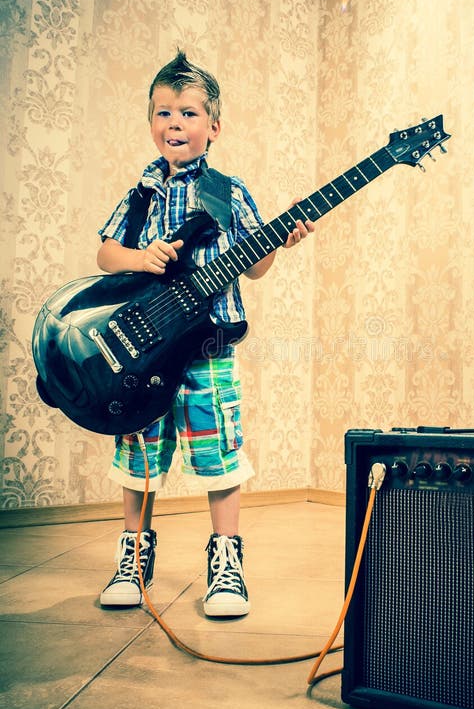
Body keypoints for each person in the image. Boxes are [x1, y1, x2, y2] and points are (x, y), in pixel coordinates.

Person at [96, 50, 313, 617]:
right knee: (140, 450)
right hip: (145, 351)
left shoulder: (227, 191)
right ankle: (133, 557)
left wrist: (281, 237)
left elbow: (255, 266)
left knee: (219, 451)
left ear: (214, 127)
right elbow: (106, 253)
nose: (175, 123)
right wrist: (139, 258)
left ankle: (226, 562)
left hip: (207, 348)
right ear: (151, 122)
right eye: (163, 112)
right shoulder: (140, 194)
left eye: (189, 113)